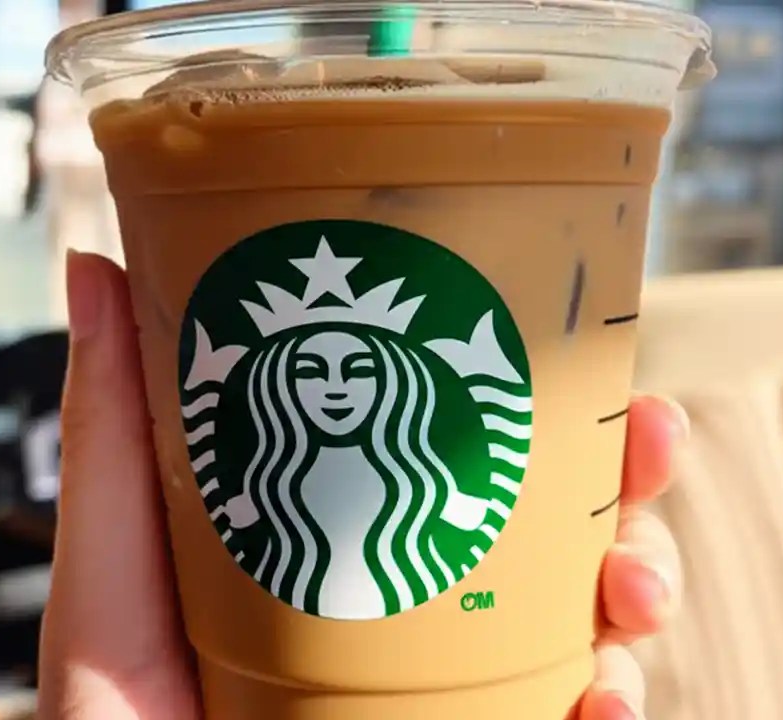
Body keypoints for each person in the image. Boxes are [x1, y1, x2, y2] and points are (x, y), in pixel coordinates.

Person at [39, 251, 690, 720]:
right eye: (310, 371)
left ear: (398, 382)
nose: (336, 386)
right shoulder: (259, 499)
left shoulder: (441, 503)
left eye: (358, 367)